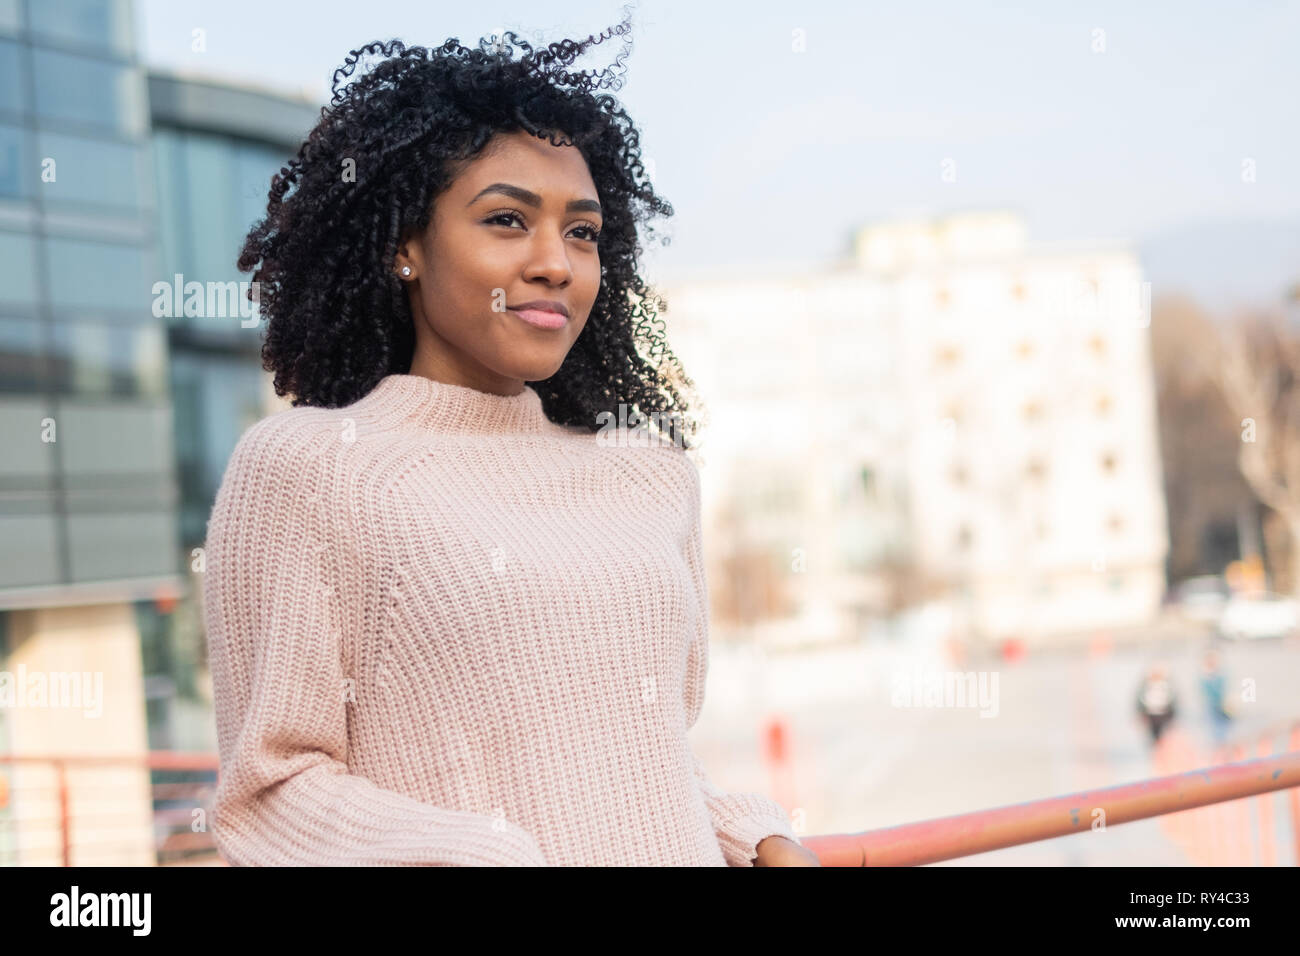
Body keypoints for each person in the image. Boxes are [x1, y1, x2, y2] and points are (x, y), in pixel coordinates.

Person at [204, 16, 817, 867]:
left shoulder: (650, 475)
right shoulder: (311, 468)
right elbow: (268, 796)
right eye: (505, 220)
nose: (556, 263)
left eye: (582, 231)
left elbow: (642, 755)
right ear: (405, 247)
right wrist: (480, 854)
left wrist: (750, 832)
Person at [1135, 663, 1177, 745]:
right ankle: (1156, 748)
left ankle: (1161, 748)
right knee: (1153, 735)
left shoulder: (1166, 685)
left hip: (1163, 714)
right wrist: (1140, 713)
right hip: (1150, 714)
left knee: (1163, 735)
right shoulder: (1145, 685)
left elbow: (1173, 700)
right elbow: (1139, 700)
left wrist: (1172, 715)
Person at [1199, 648, 1233, 746]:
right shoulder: (1205, 675)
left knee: (1224, 728)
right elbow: (1204, 692)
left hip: (1223, 705)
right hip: (1211, 706)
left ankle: (1223, 745)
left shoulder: (1222, 674)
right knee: (1215, 729)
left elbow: (1227, 689)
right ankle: (1219, 745)